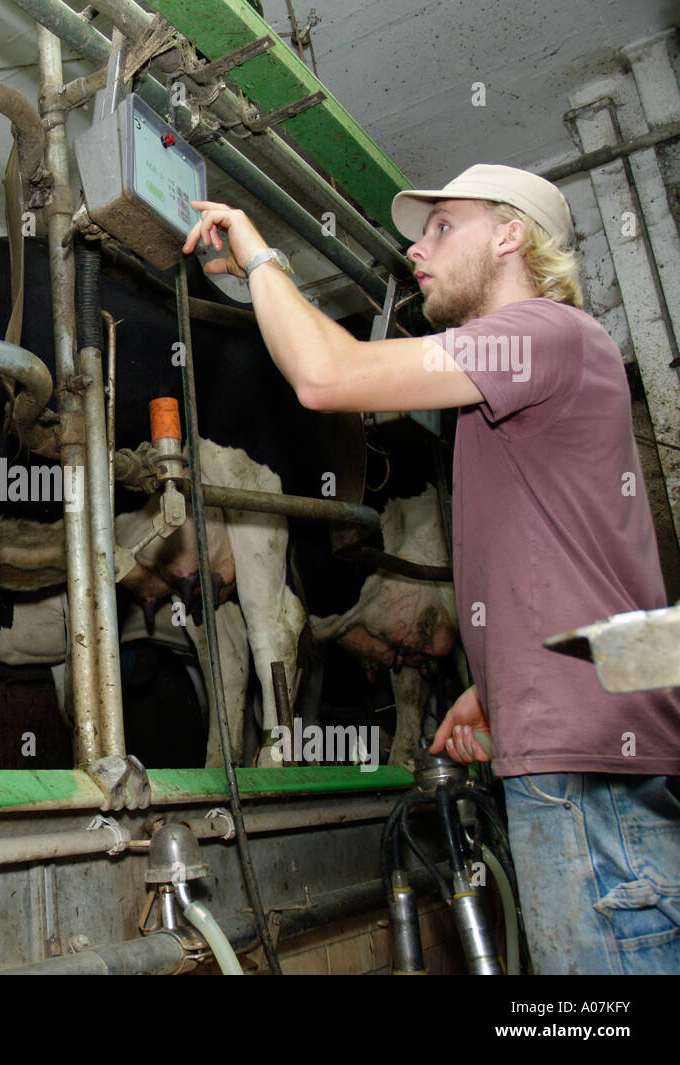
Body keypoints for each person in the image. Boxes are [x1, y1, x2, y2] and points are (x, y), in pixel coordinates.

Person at [184, 164, 680, 975]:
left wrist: (265, 258)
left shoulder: (546, 332)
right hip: (590, 769)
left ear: (512, 235)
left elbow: (327, 376)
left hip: (589, 784)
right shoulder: (537, 372)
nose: (418, 249)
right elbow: (601, 579)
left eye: (443, 227)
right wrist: (506, 681)